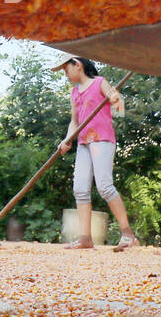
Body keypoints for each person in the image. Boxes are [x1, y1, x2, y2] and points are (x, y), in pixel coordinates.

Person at [53, 54, 136, 251]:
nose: (66, 74)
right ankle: (85, 238)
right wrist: (66, 141)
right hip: (83, 143)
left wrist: (116, 99)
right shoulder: (74, 93)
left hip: (102, 141)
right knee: (80, 189)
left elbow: (120, 108)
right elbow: (74, 122)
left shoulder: (100, 83)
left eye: (66, 69)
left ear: (78, 65)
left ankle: (128, 234)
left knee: (105, 187)